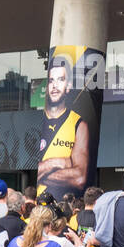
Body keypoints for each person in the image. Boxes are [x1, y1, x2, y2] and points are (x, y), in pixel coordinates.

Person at [37, 53, 91, 199]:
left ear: (68, 86)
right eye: (51, 81)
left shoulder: (79, 124)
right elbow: (38, 169)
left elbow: (79, 178)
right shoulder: (39, 122)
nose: (54, 86)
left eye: (60, 80)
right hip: (40, 205)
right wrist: (56, 162)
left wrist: (42, 171)